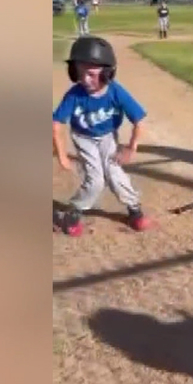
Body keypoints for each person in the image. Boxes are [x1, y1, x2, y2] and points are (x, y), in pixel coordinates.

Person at [53, 36, 154, 236]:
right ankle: (74, 211)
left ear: (108, 73)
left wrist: (131, 148)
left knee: (115, 173)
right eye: (79, 73)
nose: (85, 80)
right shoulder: (74, 94)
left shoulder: (116, 92)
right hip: (84, 138)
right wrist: (62, 156)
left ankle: (134, 209)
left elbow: (139, 122)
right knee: (96, 179)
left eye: (91, 74)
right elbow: (56, 125)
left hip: (108, 136)